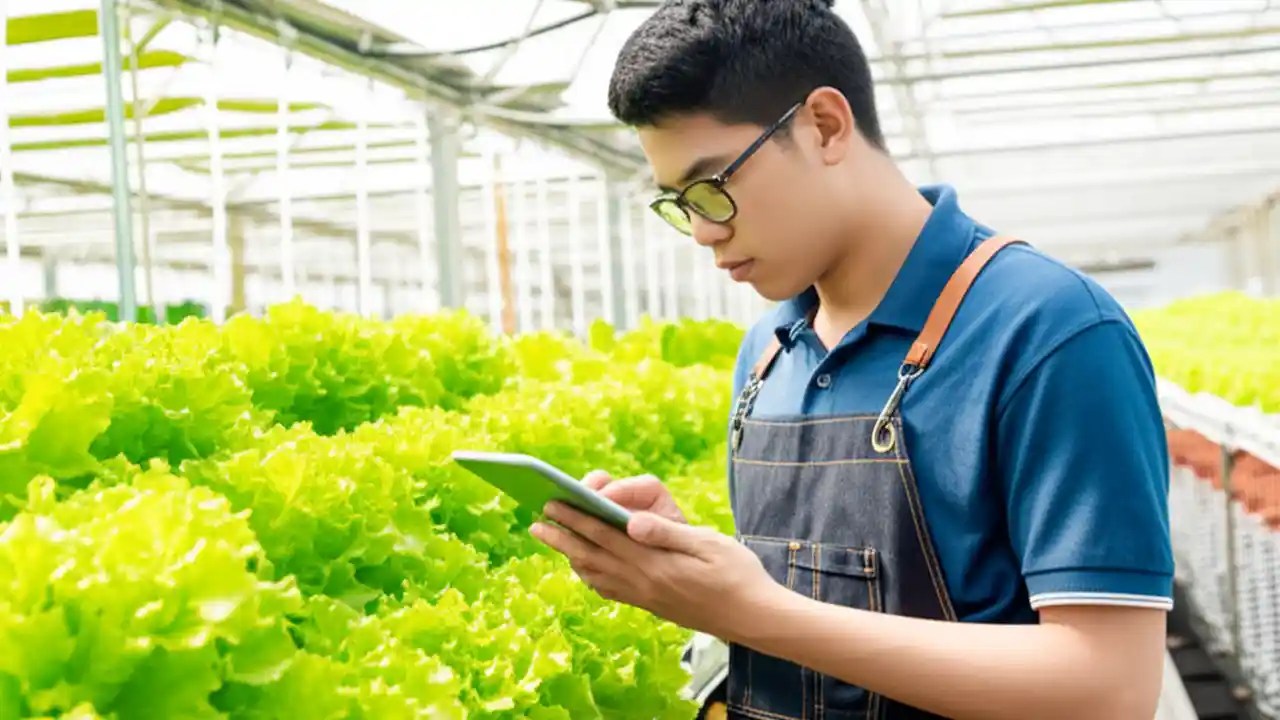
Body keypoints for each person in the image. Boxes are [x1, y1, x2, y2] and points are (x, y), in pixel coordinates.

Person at [529, 1, 1175, 718]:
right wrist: (694, 576)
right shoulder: (770, 350)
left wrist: (756, 612)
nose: (704, 232)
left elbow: (1108, 687)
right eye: (679, 202)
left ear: (825, 126)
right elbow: (815, 622)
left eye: (713, 187)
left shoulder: (1049, 331)